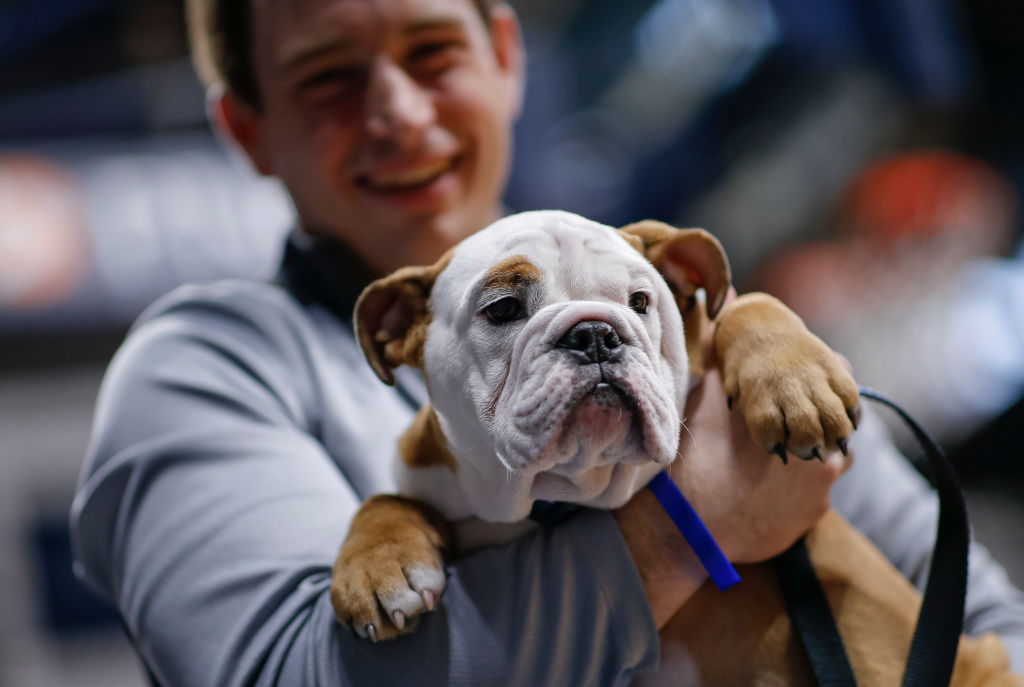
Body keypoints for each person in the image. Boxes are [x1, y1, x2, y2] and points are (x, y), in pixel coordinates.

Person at [70, 0, 1024, 684]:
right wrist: (697, 519)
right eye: (329, 78)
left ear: (506, 57)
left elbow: (977, 617)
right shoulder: (204, 369)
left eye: (433, 50)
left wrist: (755, 328)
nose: (399, 113)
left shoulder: (661, 312)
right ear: (248, 129)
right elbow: (290, 673)